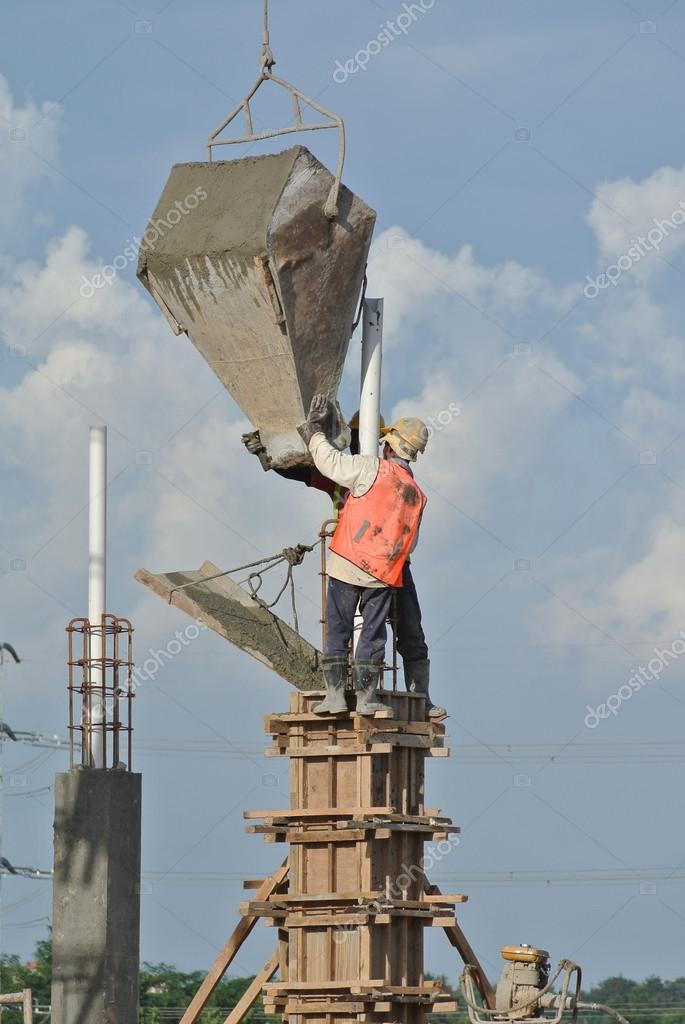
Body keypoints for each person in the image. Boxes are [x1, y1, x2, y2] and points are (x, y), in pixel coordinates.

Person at [304, 394, 445, 719]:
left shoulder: (370, 467)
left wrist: (314, 432)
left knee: (339, 629)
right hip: (383, 573)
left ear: (391, 447)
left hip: (346, 564)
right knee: (374, 633)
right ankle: (368, 698)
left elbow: (329, 462)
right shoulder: (417, 496)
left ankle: (336, 697)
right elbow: (410, 544)